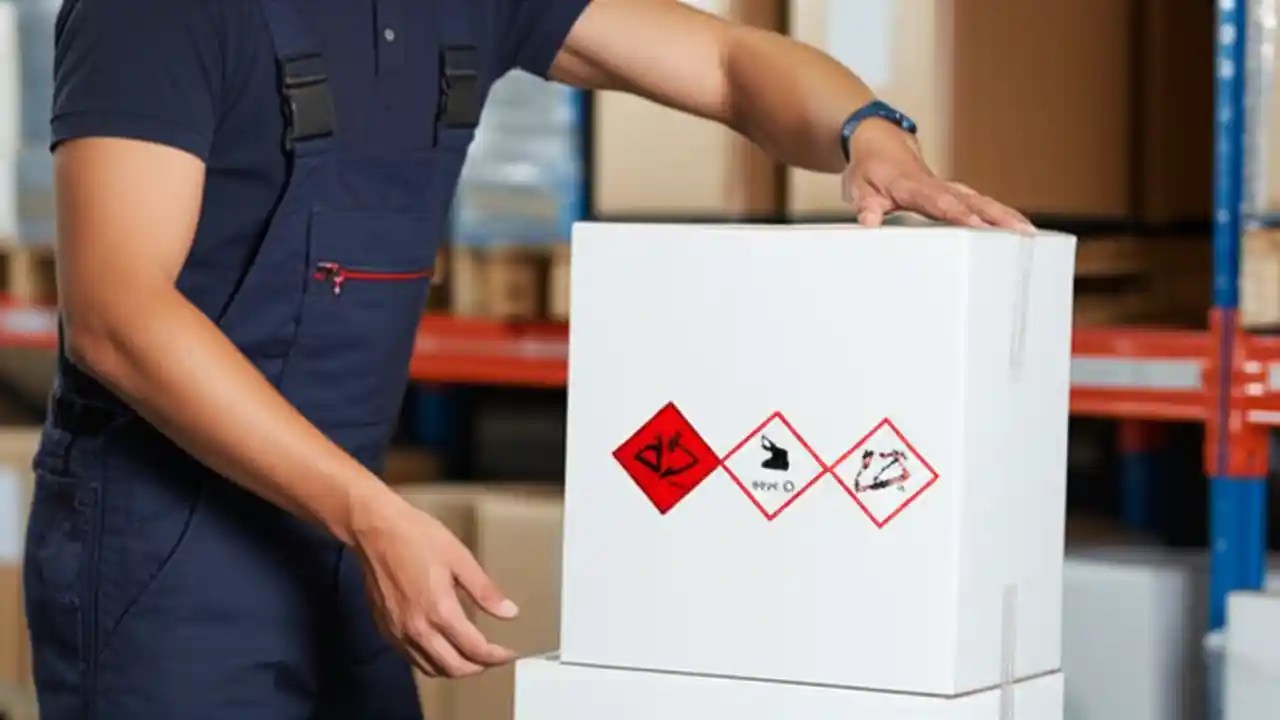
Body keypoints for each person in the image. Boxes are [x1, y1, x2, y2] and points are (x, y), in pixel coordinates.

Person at [23, 0, 1035, 717]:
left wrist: (866, 129)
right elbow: (119, 314)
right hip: (166, 547)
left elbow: (728, 62)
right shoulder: (153, 12)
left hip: (340, 531)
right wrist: (369, 515)